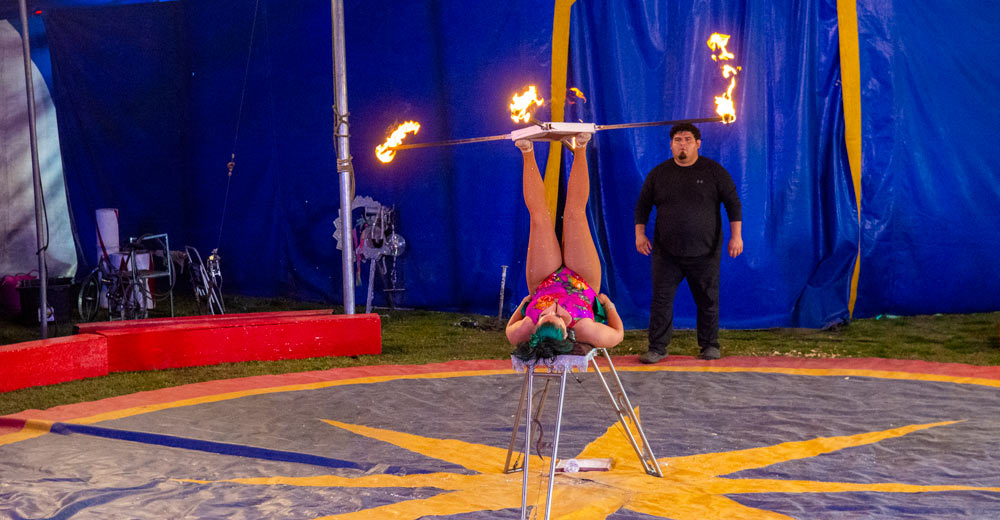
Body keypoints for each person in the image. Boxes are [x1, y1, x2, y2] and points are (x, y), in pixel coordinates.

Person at [506, 133, 625, 360]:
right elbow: (618, 335)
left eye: (544, 315)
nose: (553, 309)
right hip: (582, 281)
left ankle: (527, 151)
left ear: (536, 326)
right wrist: (609, 306)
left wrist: (522, 306)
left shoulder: (524, 330)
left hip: (544, 281)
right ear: (567, 332)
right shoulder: (586, 330)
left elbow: (509, 330)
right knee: (574, 215)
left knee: (539, 219)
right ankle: (581, 147)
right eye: (558, 317)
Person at [634, 123, 743, 363]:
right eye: (678, 140)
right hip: (666, 253)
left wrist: (737, 237)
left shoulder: (714, 171)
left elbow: (733, 204)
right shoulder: (659, 174)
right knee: (661, 301)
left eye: (687, 139)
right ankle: (657, 348)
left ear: (698, 144)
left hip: (705, 251)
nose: (682, 144)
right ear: (671, 145)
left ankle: (710, 345)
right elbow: (642, 205)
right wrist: (639, 235)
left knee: (708, 300)